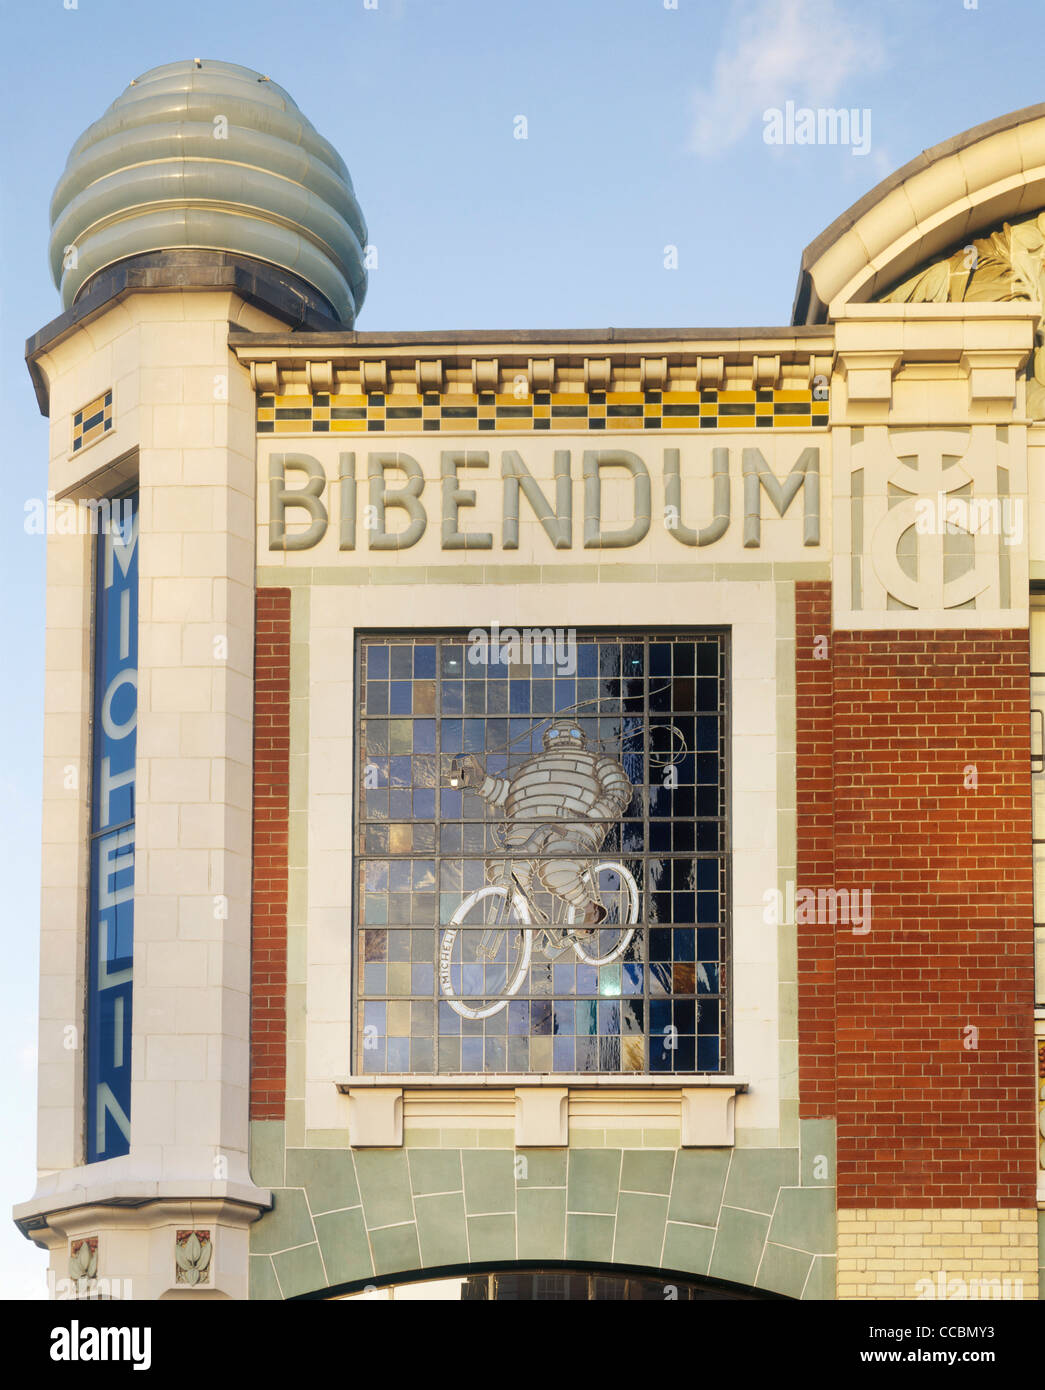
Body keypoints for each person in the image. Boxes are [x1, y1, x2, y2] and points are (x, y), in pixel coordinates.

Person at [451, 719, 632, 924]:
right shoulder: (530, 767)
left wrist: (594, 818)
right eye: (556, 735)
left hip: (573, 824)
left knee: (558, 868)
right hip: (527, 823)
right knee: (505, 866)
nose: (563, 738)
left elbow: (618, 790)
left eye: (570, 733)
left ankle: (590, 908)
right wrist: (481, 782)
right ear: (548, 740)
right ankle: (532, 922)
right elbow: (510, 793)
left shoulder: (599, 763)